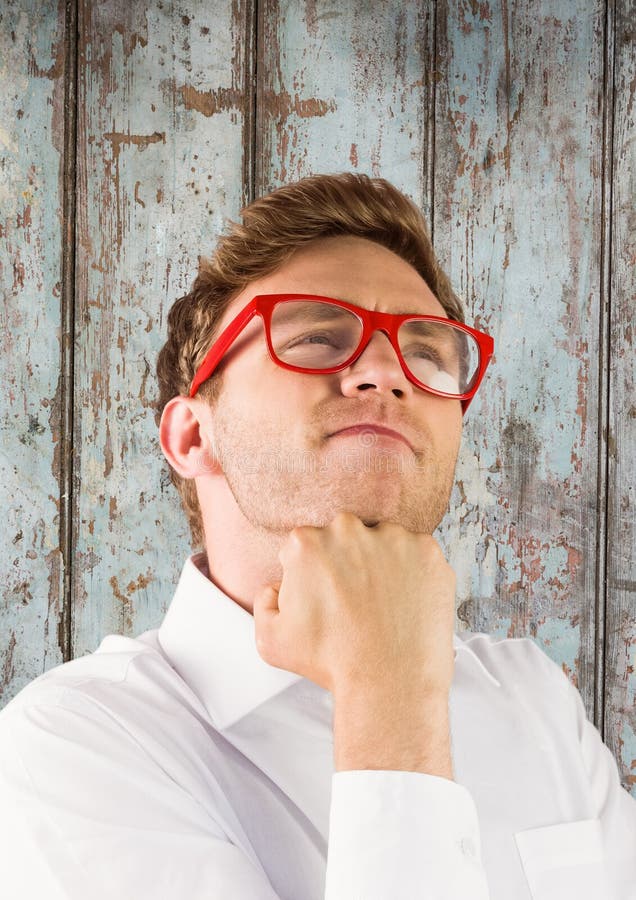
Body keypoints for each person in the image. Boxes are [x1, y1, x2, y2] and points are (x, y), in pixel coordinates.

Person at [0, 173, 634, 900]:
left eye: (427, 354)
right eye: (314, 337)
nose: (387, 371)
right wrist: (388, 695)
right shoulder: (74, 747)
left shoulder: (533, 699)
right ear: (191, 435)